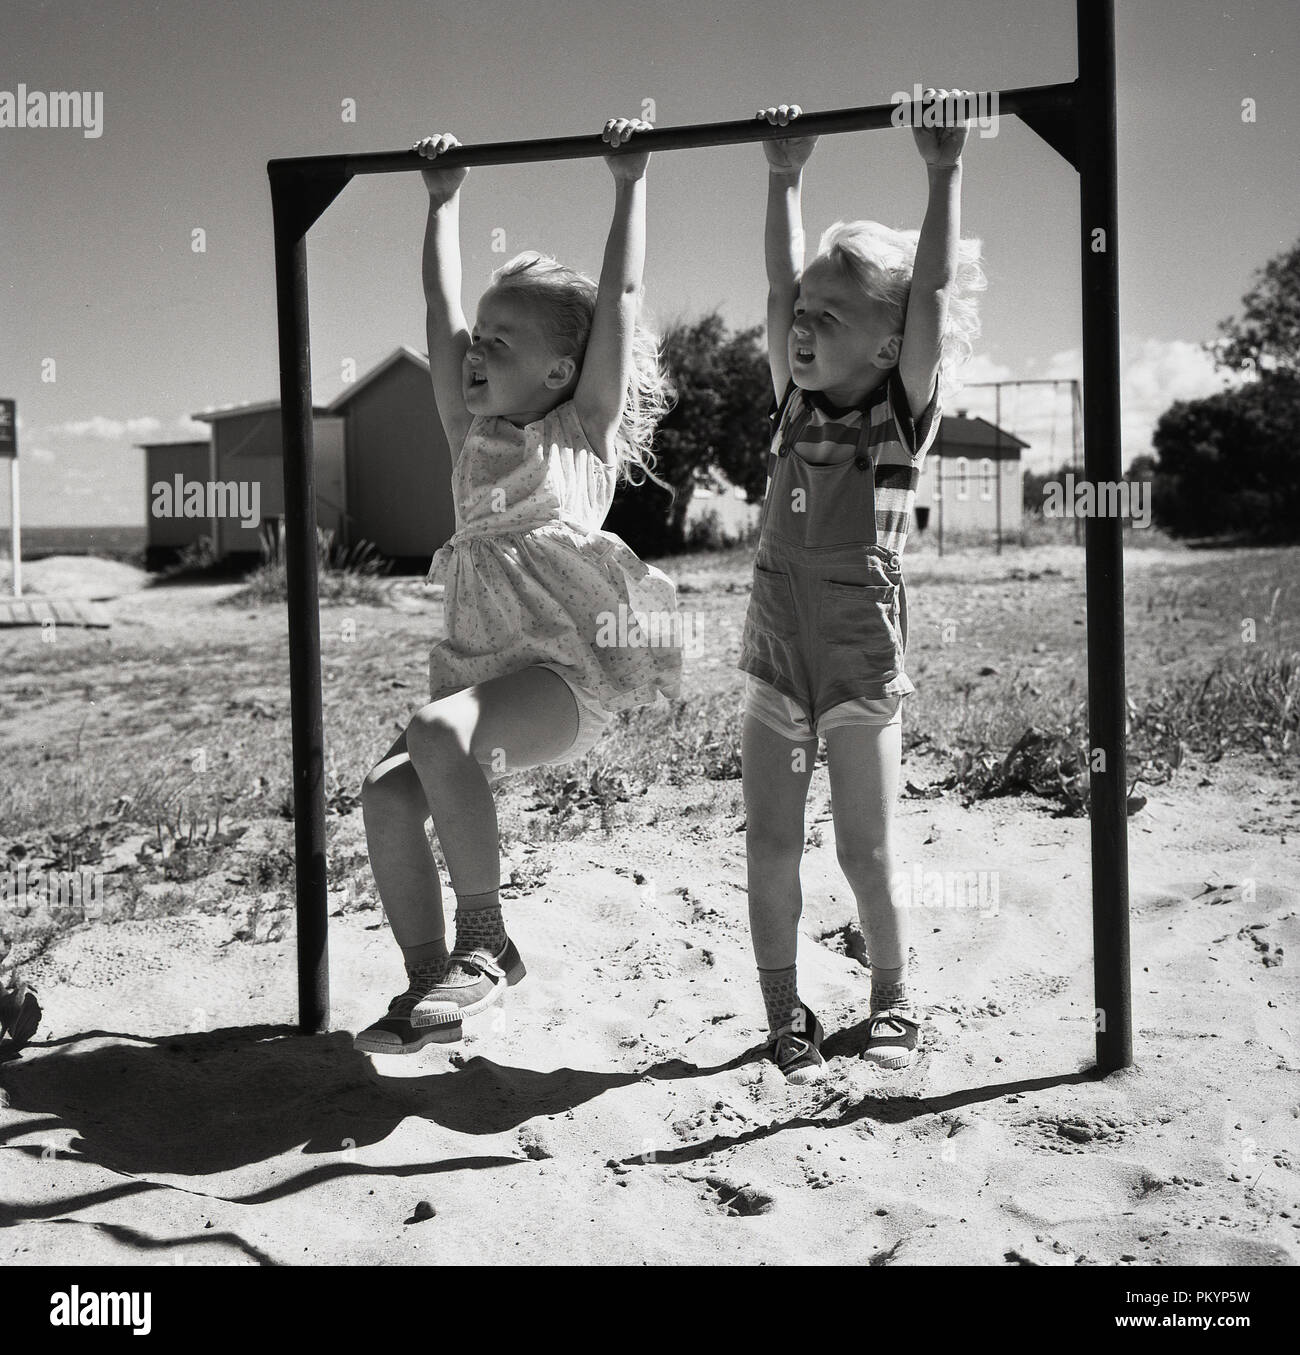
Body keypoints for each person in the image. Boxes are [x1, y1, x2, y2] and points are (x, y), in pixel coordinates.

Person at [355, 117, 680, 1055]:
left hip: (563, 677)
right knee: (385, 795)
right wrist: (443, 199)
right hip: (476, 681)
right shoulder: (470, 436)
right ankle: (429, 983)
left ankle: (487, 944)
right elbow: (437, 305)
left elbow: (621, 291)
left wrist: (630, 179)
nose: (475, 349)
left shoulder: (580, 432)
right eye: (478, 338)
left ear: (563, 368)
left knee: (432, 730)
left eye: (501, 339)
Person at [739, 96, 985, 1083]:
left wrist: (943, 171)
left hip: (856, 646)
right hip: (773, 643)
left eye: (829, 317)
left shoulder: (898, 408)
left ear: (888, 344)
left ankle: (891, 997)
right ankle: (779, 1008)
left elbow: (926, 293)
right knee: (765, 842)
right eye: (802, 315)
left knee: (863, 848)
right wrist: (782, 173)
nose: (802, 327)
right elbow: (773, 280)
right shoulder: (788, 399)